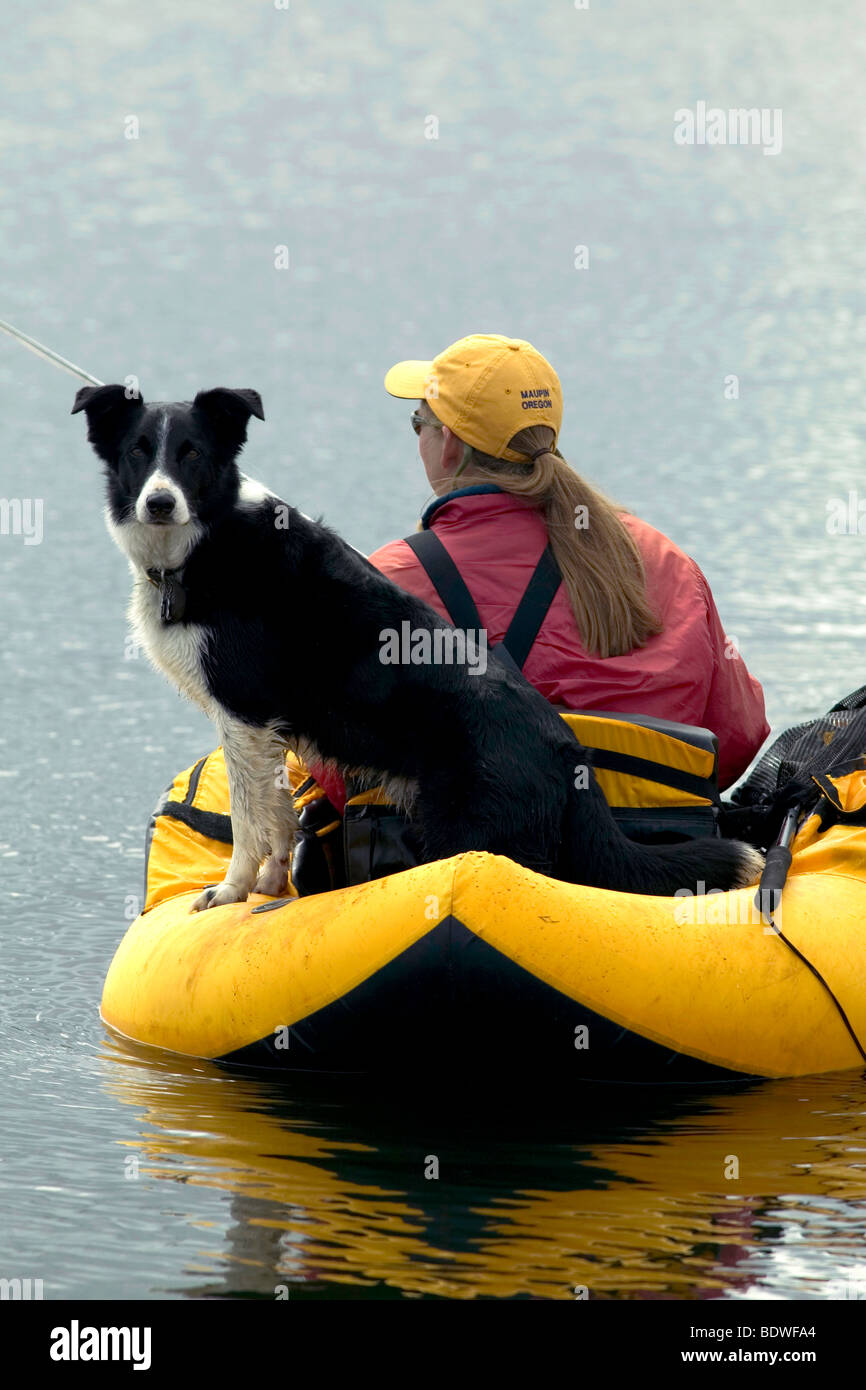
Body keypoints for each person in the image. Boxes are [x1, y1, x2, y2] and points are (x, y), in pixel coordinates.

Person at [309, 333, 768, 819]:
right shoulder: (663, 559)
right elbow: (736, 738)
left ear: (449, 445)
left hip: (460, 872)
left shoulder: (388, 580)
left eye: (417, 421)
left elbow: (343, 780)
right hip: (651, 865)